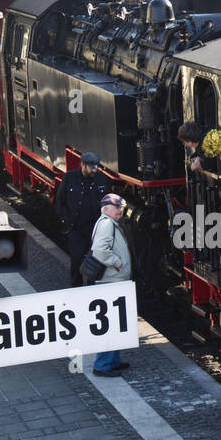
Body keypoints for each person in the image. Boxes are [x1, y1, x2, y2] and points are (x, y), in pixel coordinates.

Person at [89, 193, 132, 377]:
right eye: (117, 208)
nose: (120, 211)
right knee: (110, 325)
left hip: (114, 280)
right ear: (106, 209)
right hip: (110, 281)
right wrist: (118, 262)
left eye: (121, 208)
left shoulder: (108, 223)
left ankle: (113, 360)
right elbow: (99, 251)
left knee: (116, 323)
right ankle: (102, 365)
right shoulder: (106, 224)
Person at [54, 151, 112, 286]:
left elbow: (109, 201)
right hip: (77, 227)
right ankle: (76, 286)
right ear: (82, 165)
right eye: (91, 167)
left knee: (96, 261)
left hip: (96, 229)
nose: (94, 170)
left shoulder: (102, 179)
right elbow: (60, 200)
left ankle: (92, 288)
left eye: (96, 166)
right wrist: (66, 219)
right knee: (77, 258)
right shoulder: (70, 177)